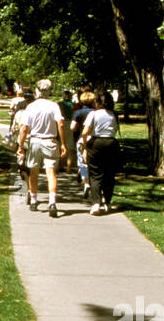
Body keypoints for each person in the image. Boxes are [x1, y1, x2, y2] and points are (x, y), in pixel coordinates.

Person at [18, 78, 68, 217]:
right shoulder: (54, 106)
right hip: (50, 141)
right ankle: (52, 202)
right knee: (50, 173)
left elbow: (24, 128)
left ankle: (34, 200)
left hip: (35, 141)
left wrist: (21, 145)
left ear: (37, 91)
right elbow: (61, 124)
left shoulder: (31, 107)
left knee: (34, 171)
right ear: (50, 91)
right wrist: (63, 143)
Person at [80, 90, 122, 215]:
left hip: (97, 143)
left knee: (95, 174)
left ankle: (96, 203)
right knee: (109, 174)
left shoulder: (93, 114)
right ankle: (107, 202)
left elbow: (85, 131)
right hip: (111, 143)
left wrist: (84, 143)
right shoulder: (113, 114)